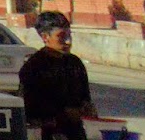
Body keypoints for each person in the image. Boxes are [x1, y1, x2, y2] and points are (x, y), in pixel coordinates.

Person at [19, 10, 94, 140]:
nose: (68, 42)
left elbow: (85, 98)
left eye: (69, 35)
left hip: (76, 133)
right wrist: (63, 114)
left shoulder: (75, 63)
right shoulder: (33, 67)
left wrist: (87, 109)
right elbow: (30, 109)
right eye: (61, 36)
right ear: (45, 37)